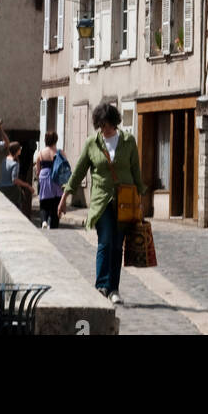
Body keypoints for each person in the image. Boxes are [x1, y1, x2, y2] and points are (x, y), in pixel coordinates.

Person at [57, 103, 146, 306]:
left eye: (108, 125)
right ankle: (102, 286)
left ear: (115, 122)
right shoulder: (92, 143)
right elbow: (78, 171)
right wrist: (64, 199)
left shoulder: (128, 141)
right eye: (101, 125)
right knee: (105, 242)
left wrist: (140, 201)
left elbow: (136, 171)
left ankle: (114, 289)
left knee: (117, 246)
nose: (105, 129)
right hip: (101, 201)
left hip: (124, 201)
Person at [35, 130, 65, 229]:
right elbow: (65, 167)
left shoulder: (41, 153)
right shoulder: (60, 152)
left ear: (45, 140)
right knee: (56, 203)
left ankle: (44, 221)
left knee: (44, 202)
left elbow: (38, 171)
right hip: (56, 178)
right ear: (56, 140)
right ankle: (54, 225)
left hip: (44, 177)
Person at [0, 141, 34, 212]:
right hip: (11, 190)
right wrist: (27, 185)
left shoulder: (4, 160)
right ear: (17, 150)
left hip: (2, 187)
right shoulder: (15, 164)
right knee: (16, 209)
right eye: (20, 148)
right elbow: (14, 180)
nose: (21, 149)